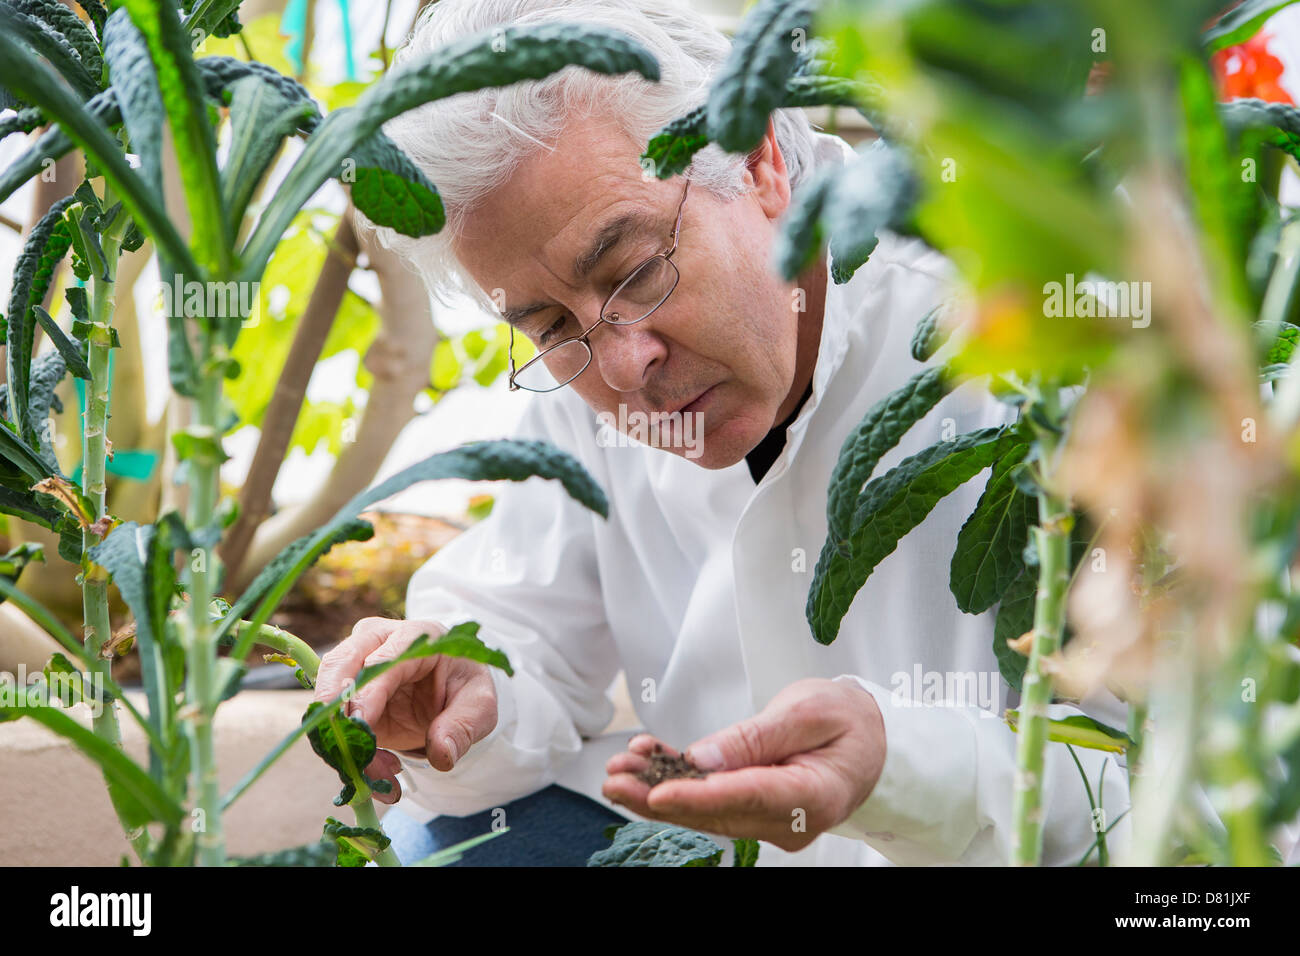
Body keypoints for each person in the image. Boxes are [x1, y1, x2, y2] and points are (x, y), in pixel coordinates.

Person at [313, 0, 1130, 866]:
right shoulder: (586, 375)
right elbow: (520, 627)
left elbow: (1189, 798)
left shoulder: (1038, 345)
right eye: (549, 326)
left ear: (760, 161)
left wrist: (904, 768)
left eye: (635, 271)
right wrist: (464, 692)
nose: (624, 365)